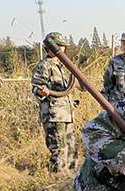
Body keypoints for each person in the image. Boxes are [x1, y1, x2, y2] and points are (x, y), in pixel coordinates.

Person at [31, 32, 79, 172]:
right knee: (59, 149)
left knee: (71, 147)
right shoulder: (45, 65)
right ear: (51, 47)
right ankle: (57, 180)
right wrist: (43, 91)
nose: (62, 49)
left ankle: (71, 179)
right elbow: (36, 87)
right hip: (54, 114)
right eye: (59, 45)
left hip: (67, 114)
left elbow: (72, 85)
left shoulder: (63, 66)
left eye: (63, 46)